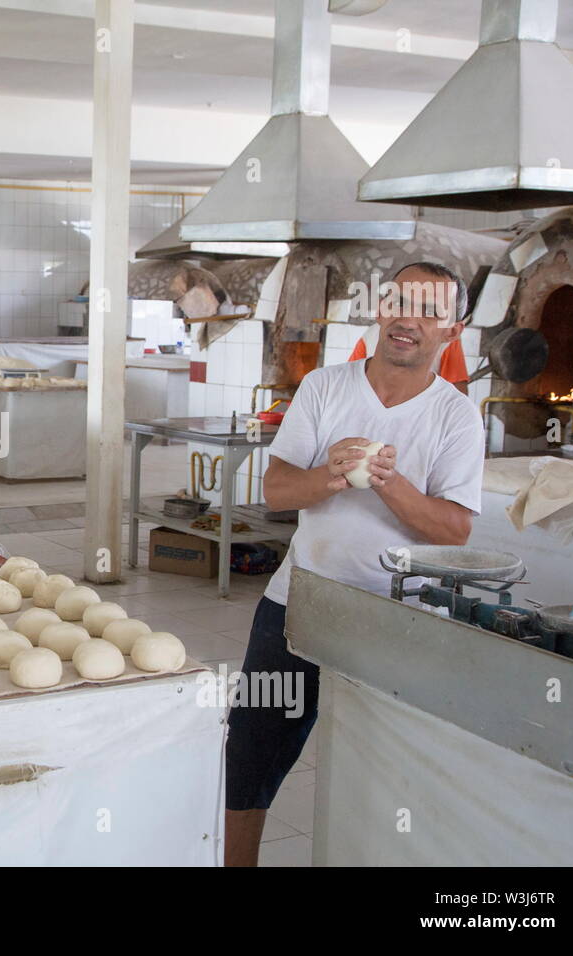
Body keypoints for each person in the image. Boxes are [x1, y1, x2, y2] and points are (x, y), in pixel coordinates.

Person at [224, 261, 485, 866]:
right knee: (252, 752)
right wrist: (331, 477)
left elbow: (455, 530)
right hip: (300, 605)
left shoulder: (455, 415)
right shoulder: (324, 387)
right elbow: (278, 491)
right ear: (379, 307)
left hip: (398, 619)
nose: (407, 320)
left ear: (454, 329)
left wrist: (388, 483)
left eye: (429, 311)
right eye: (399, 301)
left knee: (384, 764)